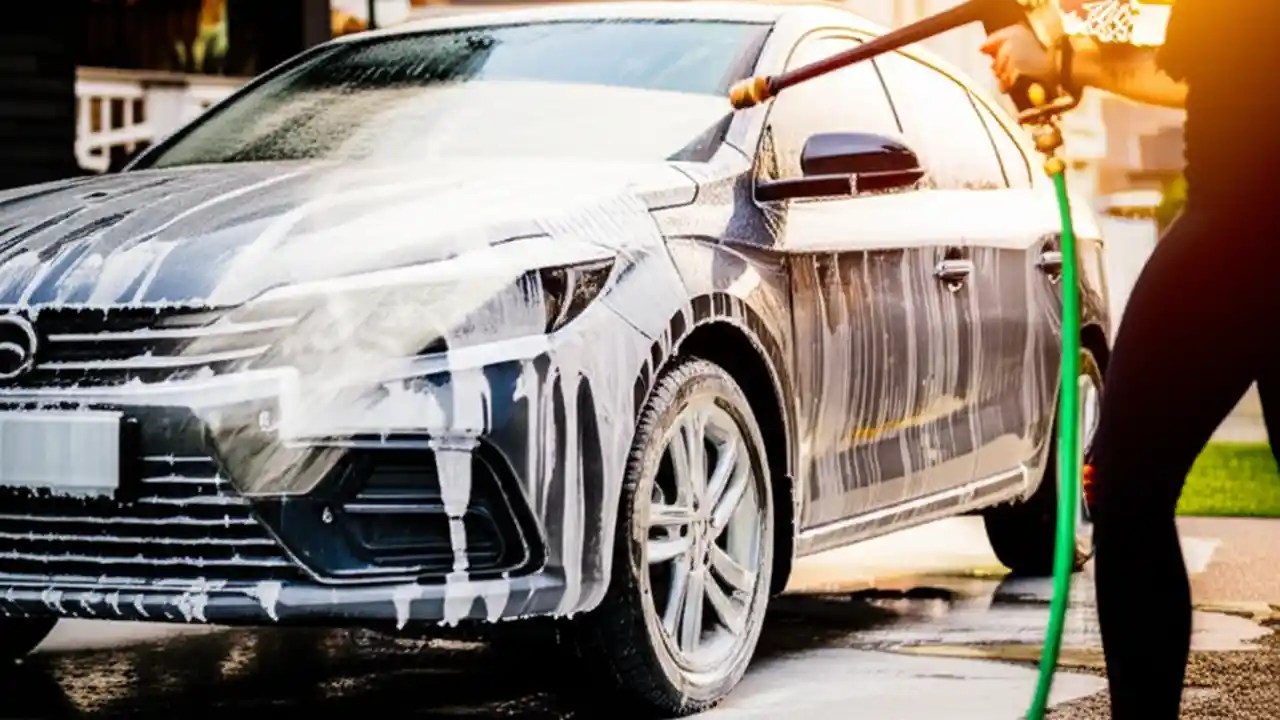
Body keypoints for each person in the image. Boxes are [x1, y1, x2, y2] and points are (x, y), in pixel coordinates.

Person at [981, 1, 1279, 717]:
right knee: (1126, 484)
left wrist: (1054, 51)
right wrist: (1058, 61)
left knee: (1128, 486)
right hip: (1242, 223)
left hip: (1246, 225)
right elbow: (1201, 78)